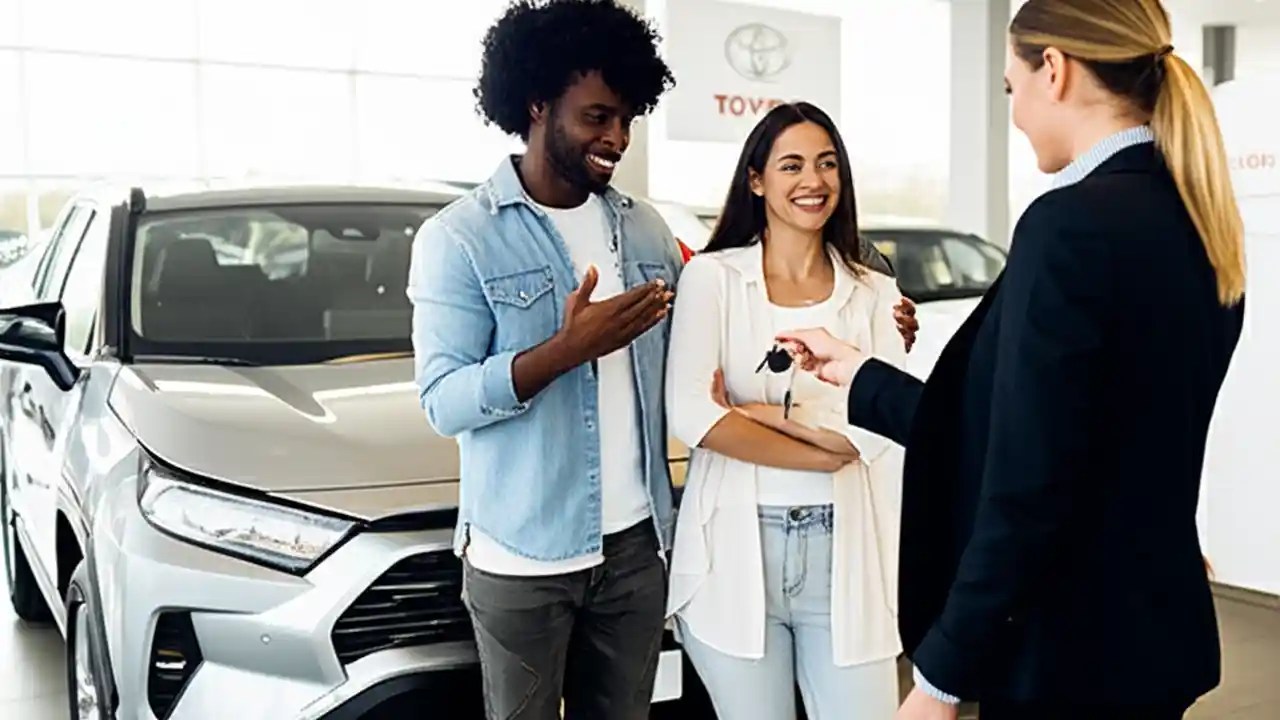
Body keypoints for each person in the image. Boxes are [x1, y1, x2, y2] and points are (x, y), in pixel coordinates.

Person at [776, 1, 1247, 719]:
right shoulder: (1197, 217)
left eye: (1010, 88)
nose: (1017, 112)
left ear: (1052, 70)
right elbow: (1034, 426)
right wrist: (859, 375)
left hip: (1065, 653)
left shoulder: (1071, 225)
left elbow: (1028, 483)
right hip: (1152, 634)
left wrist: (938, 679)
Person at [407, 2, 680, 717]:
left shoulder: (645, 228)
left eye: (626, 118)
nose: (616, 137)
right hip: (520, 558)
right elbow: (442, 400)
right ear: (536, 105)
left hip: (633, 551)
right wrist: (563, 353)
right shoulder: (460, 238)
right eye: (597, 117)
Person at [664, 102, 909, 719]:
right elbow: (692, 415)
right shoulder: (713, 279)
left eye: (828, 165)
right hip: (735, 554)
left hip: (848, 555)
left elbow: (877, 436)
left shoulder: (874, 291)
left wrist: (751, 414)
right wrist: (825, 450)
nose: (814, 181)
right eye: (792, 165)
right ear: (756, 180)